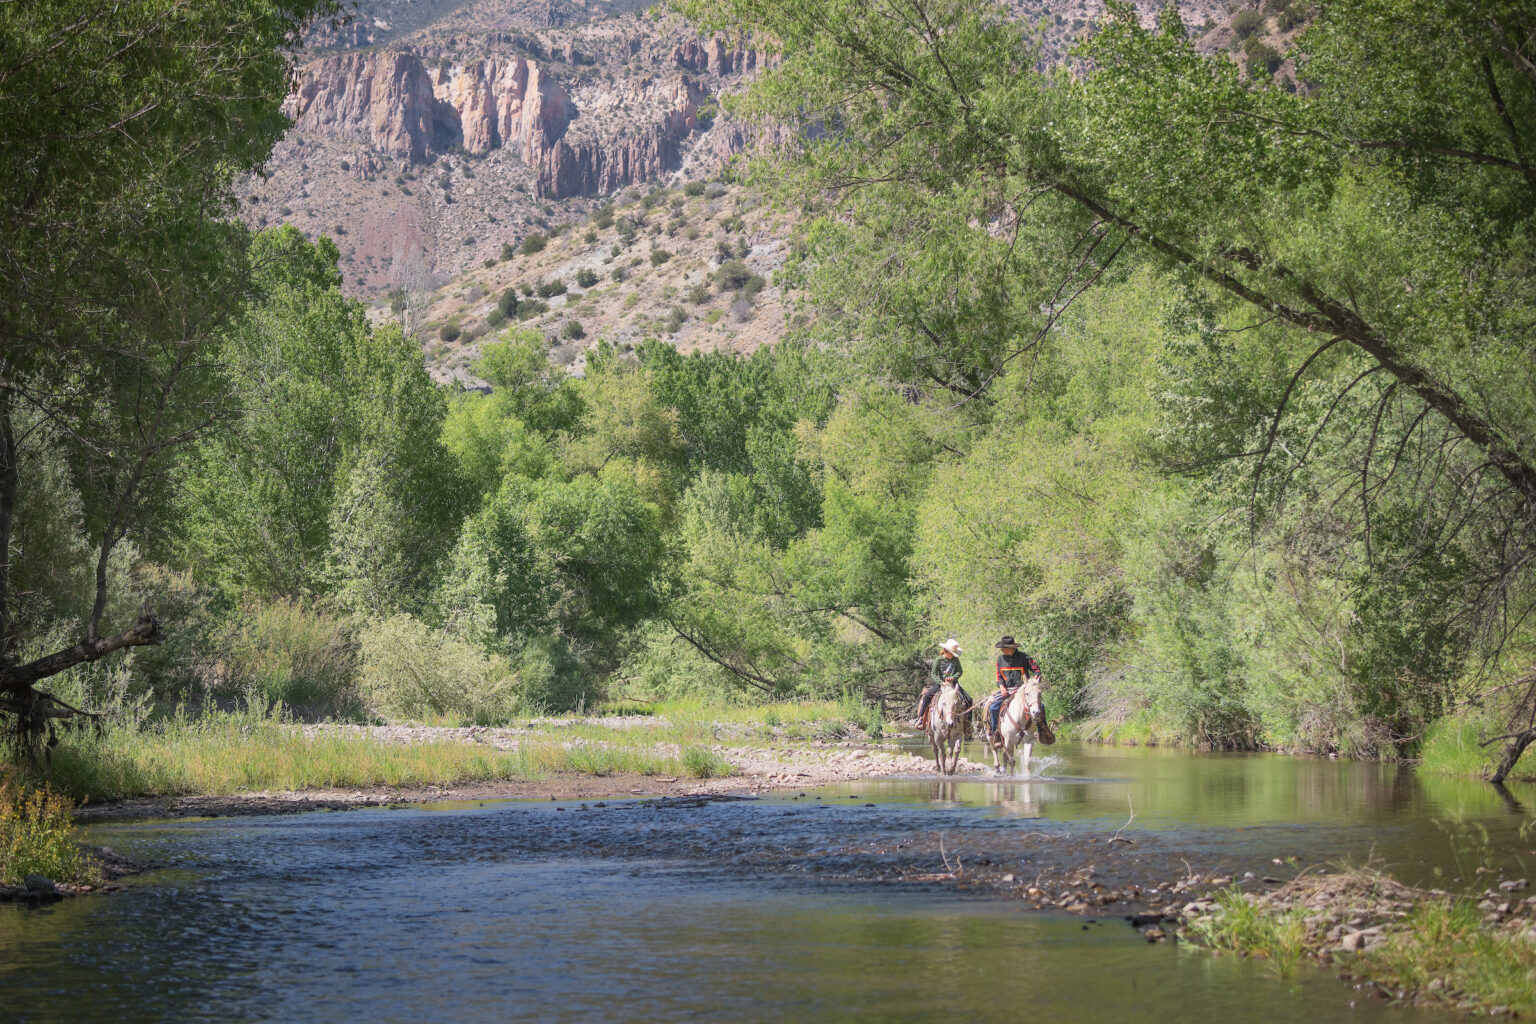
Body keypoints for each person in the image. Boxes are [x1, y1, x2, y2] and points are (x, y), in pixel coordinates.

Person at [985, 635, 1047, 748]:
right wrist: (1002, 687)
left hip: (1023, 690)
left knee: (1040, 706)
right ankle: (997, 733)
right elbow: (998, 677)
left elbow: (1037, 670)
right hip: (1007, 690)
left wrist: (1033, 683)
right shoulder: (1000, 660)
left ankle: (1043, 731)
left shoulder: (1024, 657)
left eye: (1004, 648)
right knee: (993, 707)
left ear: (1011, 648)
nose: (1002, 650)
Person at [915, 638, 973, 734]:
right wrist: (941, 682)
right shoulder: (939, 660)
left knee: (969, 699)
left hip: (954, 684)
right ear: (946, 651)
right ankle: (921, 718)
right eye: (951, 653)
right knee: (927, 696)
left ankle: (967, 724)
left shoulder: (955, 659)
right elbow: (934, 674)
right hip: (941, 684)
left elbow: (959, 671)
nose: (953, 655)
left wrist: (953, 678)